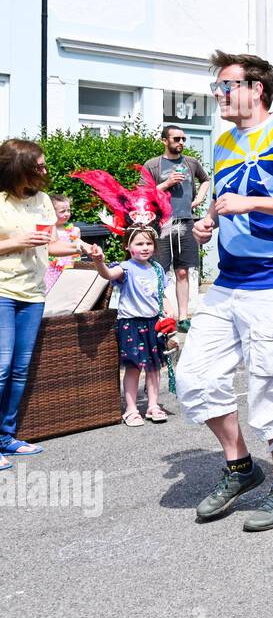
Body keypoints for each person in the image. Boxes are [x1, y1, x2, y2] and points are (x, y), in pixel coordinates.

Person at [175, 51, 273, 532]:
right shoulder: (223, 143)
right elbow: (226, 201)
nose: (218, 95)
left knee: (268, 381)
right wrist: (209, 222)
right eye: (217, 86)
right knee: (193, 377)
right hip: (229, 280)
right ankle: (241, 466)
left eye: (226, 85)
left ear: (256, 89)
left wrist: (253, 201)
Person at [0, 139, 80, 468]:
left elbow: (51, 245)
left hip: (33, 292)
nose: (45, 171)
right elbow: (24, 241)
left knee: (19, 371)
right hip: (2, 290)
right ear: (19, 167)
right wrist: (17, 241)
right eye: (40, 165)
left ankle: (6, 437)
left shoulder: (43, 200)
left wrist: (80, 248)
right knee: (1, 368)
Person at [87, 228, 175, 425]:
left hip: (154, 323)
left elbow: (162, 294)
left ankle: (153, 405)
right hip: (131, 324)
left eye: (149, 243)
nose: (145, 248)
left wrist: (169, 310)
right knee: (134, 367)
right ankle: (131, 409)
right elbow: (107, 274)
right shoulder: (125, 267)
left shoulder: (157, 269)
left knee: (154, 367)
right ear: (127, 246)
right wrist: (99, 261)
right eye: (139, 244)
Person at [144, 126, 211, 331]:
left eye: (183, 138)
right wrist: (167, 183)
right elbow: (144, 193)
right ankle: (164, 314)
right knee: (159, 271)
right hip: (162, 222)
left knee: (182, 271)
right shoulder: (153, 165)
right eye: (176, 138)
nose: (181, 142)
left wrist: (199, 198)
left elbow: (206, 180)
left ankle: (183, 317)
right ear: (165, 140)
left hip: (185, 221)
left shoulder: (191, 162)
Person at [43, 194, 83, 292]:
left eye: (68, 210)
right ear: (51, 212)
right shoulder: (47, 230)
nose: (67, 214)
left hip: (70, 270)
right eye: (62, 211)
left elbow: (78, 251)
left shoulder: (75, 231)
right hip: (51, 271)